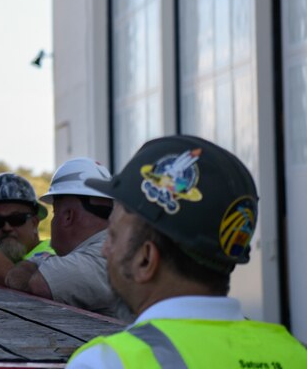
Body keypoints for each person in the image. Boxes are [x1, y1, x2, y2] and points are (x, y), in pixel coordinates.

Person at [68, 135, 307, 368]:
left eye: (112, 235)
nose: (104, 250)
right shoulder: (295, 353)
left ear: (146, 259)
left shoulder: (107, 361)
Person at [3, 158, 131, 321]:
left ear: (68, 216)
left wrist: (34, 266)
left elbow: (33, 284)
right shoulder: (104, 247)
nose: (52, 221)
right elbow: (13, 275)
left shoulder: (100, 257)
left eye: (55, 213)